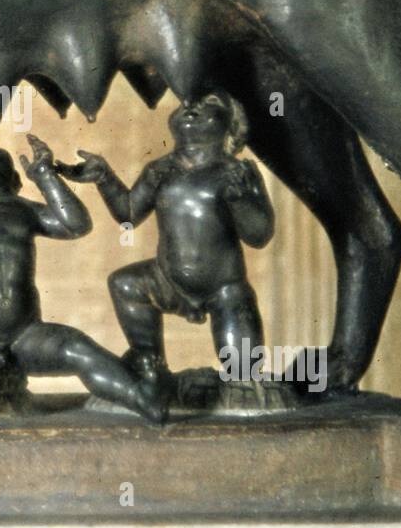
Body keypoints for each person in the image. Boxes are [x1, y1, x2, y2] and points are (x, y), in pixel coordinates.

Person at [0, 135, 166, 422]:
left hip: (25, 334)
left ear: (14, 178)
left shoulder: (23, 209)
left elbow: (75, 224)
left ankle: (140, 396)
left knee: (78, 347)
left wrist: (45, 176)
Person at [57, 91, 274, 395]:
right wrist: (104, 178)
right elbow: (129, 213)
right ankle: (150, 365)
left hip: (225, 287)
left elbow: (259, 235)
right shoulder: (160, 170)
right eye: (188, 102)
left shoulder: (237, 172)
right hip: (167, 279)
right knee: (125, 284)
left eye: (210, 105)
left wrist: (240, 201)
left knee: (244, 375)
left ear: (231, 126)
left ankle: (242, 377)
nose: (192, 107)